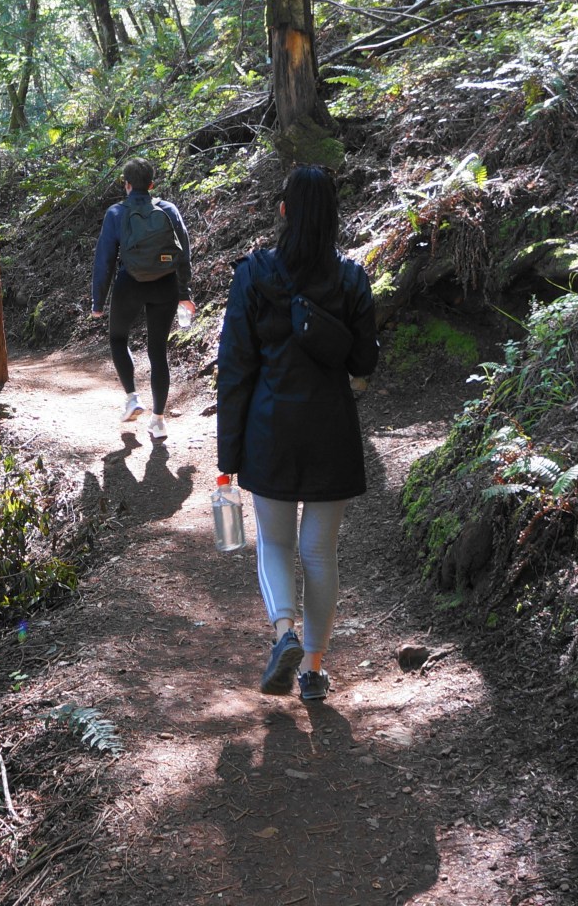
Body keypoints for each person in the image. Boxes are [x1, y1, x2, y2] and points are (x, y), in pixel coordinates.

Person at [214, 164, 380, 703]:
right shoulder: (352, 277)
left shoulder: (254, 274)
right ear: (334, 217)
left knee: (276, 544)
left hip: (270, 428)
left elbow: (235, 367)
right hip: (331, 427)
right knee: (320, 552)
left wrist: (228, 451)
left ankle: (283, 633)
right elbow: (364, 360)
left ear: (283, 211)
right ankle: (311, 670)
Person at [90, 158, 195, 439]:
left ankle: (133, 397)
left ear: (126, 184)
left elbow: (105, 259)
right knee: (157, 350)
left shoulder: (116, 213)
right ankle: (159, 420)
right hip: (165, 286)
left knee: (117, 339)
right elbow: (183, 252)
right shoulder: (168, 210)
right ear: (151, 184)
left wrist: (98, 303)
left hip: (130, 284)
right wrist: (184, 292)